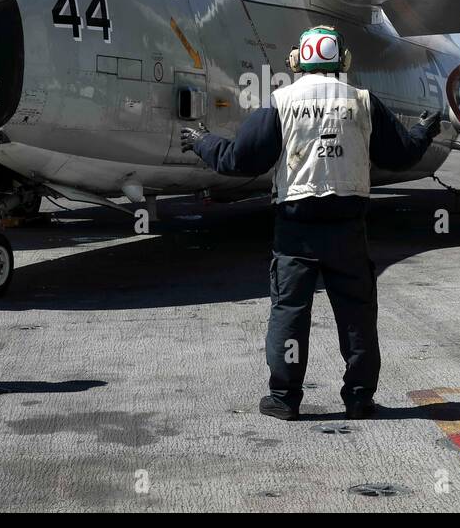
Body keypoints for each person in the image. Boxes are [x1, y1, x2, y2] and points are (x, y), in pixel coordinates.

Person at [181, 24, 440, 421]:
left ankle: (285, 399)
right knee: (356, 316)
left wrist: (201, 141)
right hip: (348, 227)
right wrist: (423, 130)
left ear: (298, 61)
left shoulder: (281, 102)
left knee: (290, 312)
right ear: (343, 62)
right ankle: (359, 398)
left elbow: (239, 161)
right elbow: (401, 155)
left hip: (296, 230)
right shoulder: (361, 101)